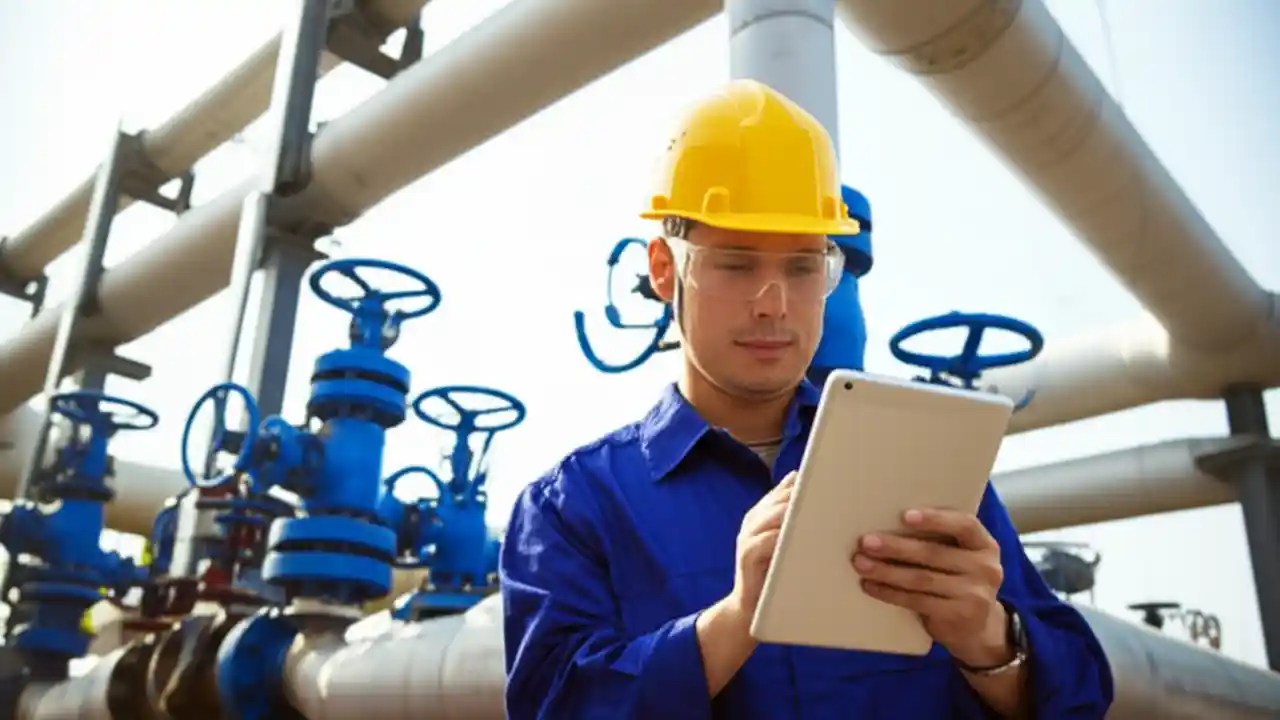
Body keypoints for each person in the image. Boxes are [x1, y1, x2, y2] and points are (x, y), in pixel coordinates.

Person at [500, 79, 1114, 719]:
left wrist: (989, 639)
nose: (774, 302)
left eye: (801, 266)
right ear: (662, 268)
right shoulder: (575, 510)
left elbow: (1081, 697)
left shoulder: (922, 469)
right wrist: (735, 620)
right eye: (735, 263)